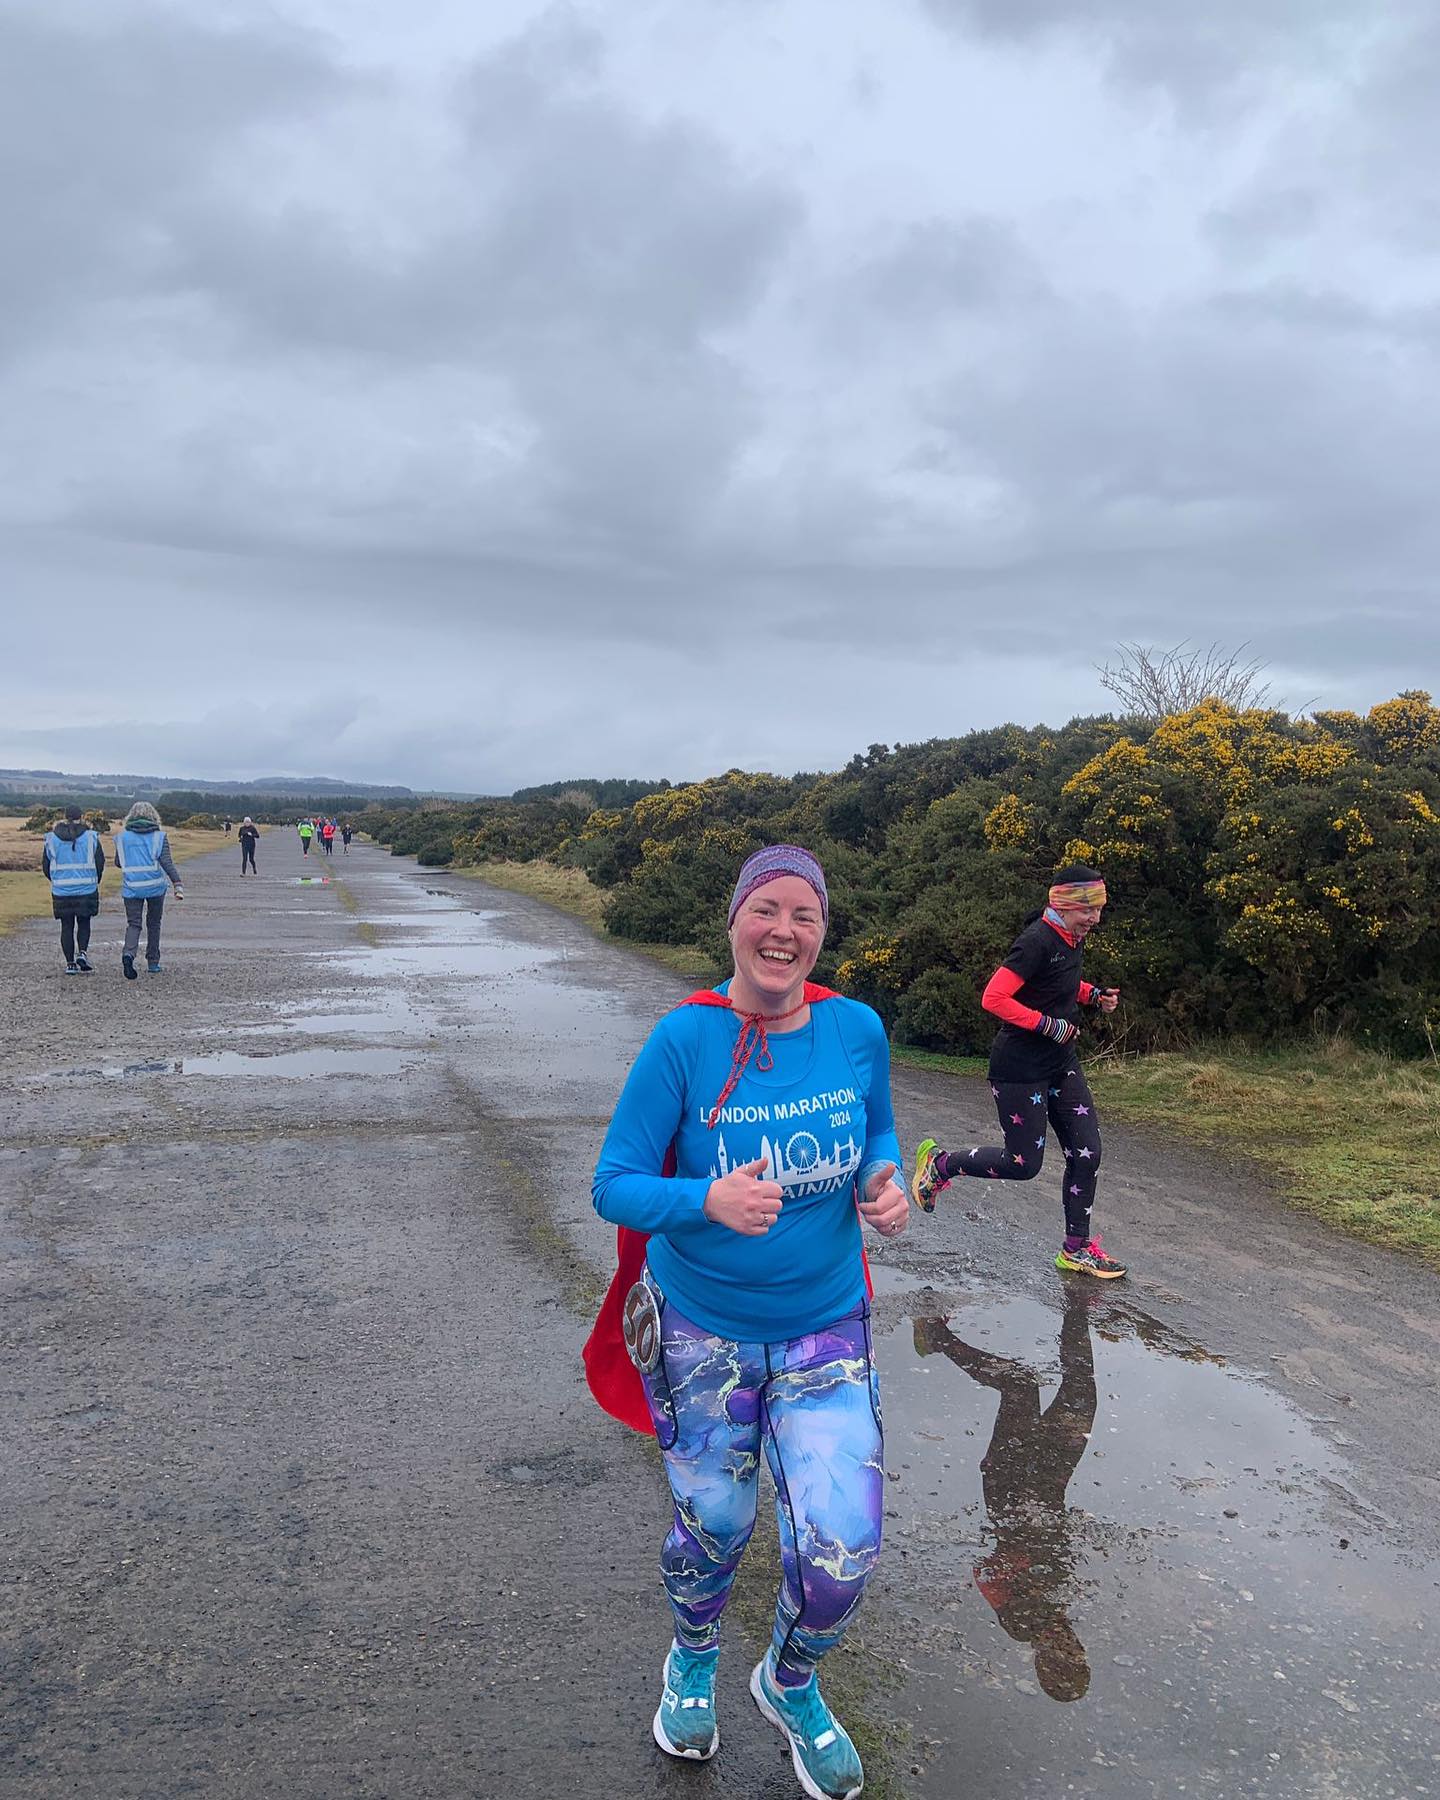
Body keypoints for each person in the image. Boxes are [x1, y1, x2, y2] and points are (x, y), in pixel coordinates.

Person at [587, 845, 906, 1800]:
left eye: (804, 915)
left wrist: (880, 1183)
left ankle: (788, 1679)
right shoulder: (683, 1041)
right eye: (766, 909)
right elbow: (615, 1185)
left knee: (844, 1545)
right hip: (702, 1335)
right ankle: (693, 1657)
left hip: (824, 1328)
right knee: (714, 1527)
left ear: (821, 933)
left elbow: (877, 1130)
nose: (784, 930)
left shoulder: (856, 1030)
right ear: (734, 921)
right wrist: (704, 1203)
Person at [911, 865, 1125, 1277]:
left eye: (1099, 909)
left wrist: (1093, 995)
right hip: (1020, 1068)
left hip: (1061, 1062)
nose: (1095, 918)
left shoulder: (1071, 937)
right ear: (1064, 904)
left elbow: (1058, 984)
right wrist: (1047, 1025)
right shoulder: (1036, 941)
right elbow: (993, 997)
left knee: (1088, 1152)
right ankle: (941, 1164)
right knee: (1024, 1164)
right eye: (1088, 909)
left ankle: (1076, 1248)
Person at [912, 1286, 1097, 1701]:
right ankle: (1078, 1311)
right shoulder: (1063, 1607)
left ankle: (936, 1338)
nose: (1068, 1646)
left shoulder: (1021, 1624)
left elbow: (984, 1573)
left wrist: (1012, 1562)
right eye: (1076, 1653)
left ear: (1043, 1661)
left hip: (1009, 1487)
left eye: (1062, 1658)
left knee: (1021, 1386)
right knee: (1082, 1391)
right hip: (1049, 1485)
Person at [113, 802, 184, 978]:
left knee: (134, 923)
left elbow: (118, 862)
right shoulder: (159, 837)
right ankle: (153, 962)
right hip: (155, 887)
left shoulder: (122, 838)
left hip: (132, 888)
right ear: (153, 816)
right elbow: (167, 862)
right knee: (154, 923)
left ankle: (128, 954)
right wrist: (177, 883)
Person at [42, 805, 105, 974]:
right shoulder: (91, 837)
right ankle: (82, 953)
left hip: (62, 890)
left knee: (66, 926)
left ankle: (70, 964)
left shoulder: (51, 838)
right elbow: (100, 862)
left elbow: (46, 866)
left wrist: (57, 880)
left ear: (64, 816)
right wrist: (95, 880)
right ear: (82, 816)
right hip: (87, 887)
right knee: (84, 922)